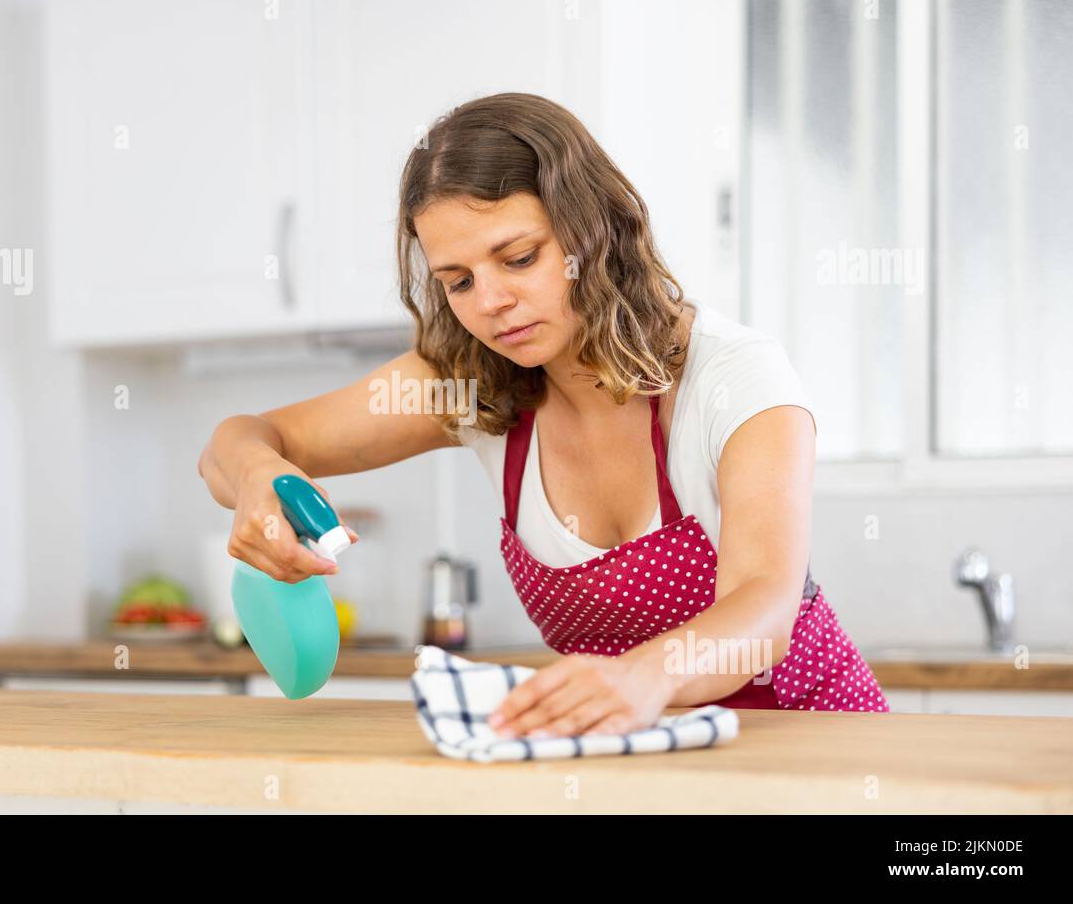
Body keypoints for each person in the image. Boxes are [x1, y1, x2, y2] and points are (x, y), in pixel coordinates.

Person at [200, 92, 889, 740]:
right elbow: (237, 443)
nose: (491, 301)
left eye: (519, 257)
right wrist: (258, 474)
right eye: (459, 282)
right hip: (654, 770)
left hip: (816, 749)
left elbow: (766, 606)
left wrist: (645, 676)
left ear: (592, 230)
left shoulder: (734, 378)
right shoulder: (470, 387)